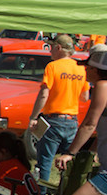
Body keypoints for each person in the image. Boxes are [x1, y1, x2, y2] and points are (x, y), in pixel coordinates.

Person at [56, 48, 107, 195]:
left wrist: (70, 153)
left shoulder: (103, 86)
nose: (85, 70)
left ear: (98, 69)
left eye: (88, 66)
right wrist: (93, 150)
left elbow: (89, 124)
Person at [27, 34, 88, 186]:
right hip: (72, 121)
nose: (50, 51)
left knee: (45, 162)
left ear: (59, 48)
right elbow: (85, 97)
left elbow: (43, 94)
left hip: (52, 121)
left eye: (51, 47)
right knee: (69, 162)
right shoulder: (81, 68)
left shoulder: (53, 66)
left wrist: (33, 117)